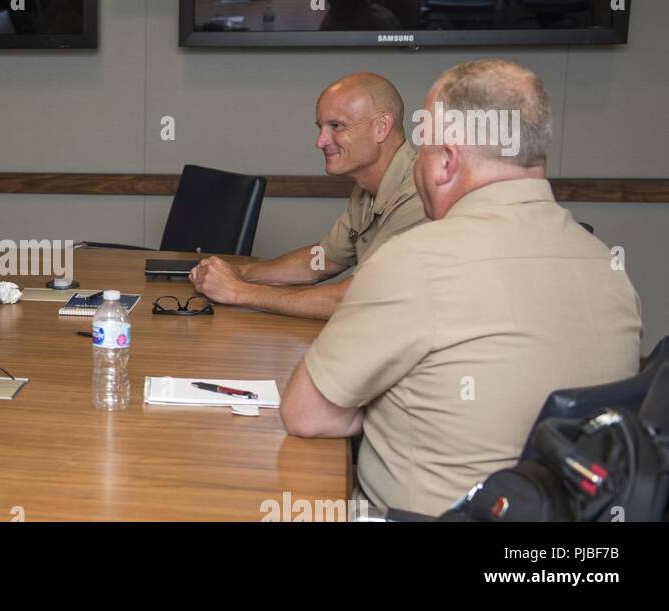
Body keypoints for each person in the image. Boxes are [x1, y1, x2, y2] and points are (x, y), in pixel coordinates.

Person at [279, 60, 643, 516]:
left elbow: (306, 414)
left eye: (423, 149)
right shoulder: (611, 269)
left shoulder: (414, 259)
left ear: (445, 162)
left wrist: (381, 400)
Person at [191, 72, 426, 320]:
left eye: (336, 126)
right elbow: (320, 262)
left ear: (381, 127)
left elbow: (359, 299)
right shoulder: (366, 190)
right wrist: (241, 272)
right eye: (321, 128)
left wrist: (239, 292)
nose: (321, 141)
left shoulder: (420, 191)